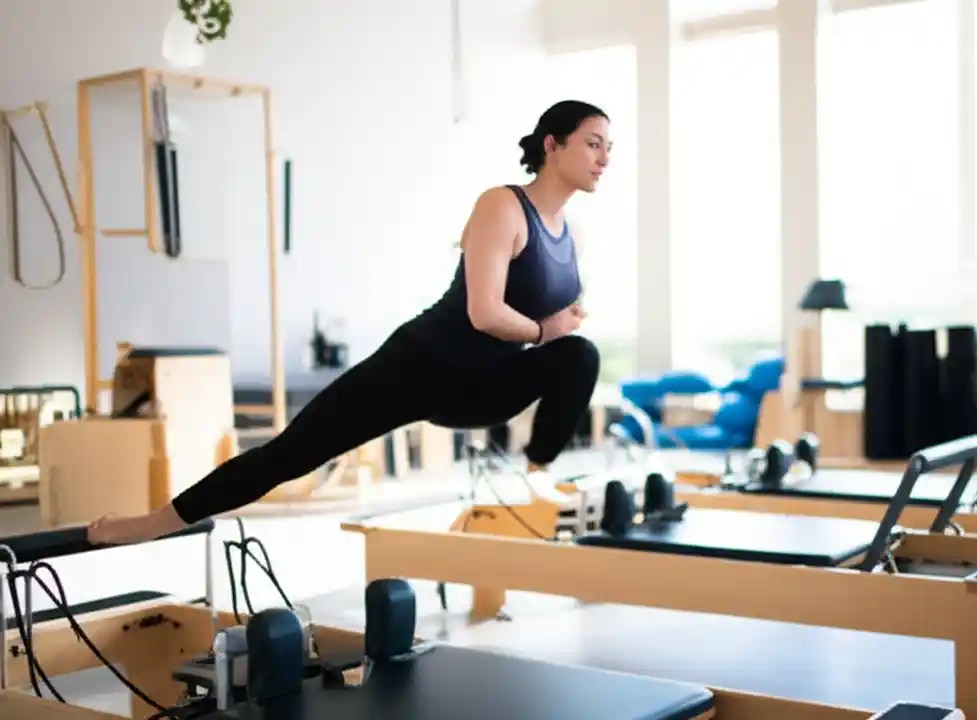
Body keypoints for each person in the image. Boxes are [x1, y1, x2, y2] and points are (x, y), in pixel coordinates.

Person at [87, 100, 611, 545]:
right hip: (419, 367)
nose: (603, 158)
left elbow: (548, 322)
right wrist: (547, 330)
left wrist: (559, 324)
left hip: (482, 386)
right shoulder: (503, 205)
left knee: (580, 357)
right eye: (592, 143)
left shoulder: (577, 236)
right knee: (289, 455)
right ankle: (149, 524)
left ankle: (539, 471)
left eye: (608, 147)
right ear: (552, 145)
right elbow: (485, 313)